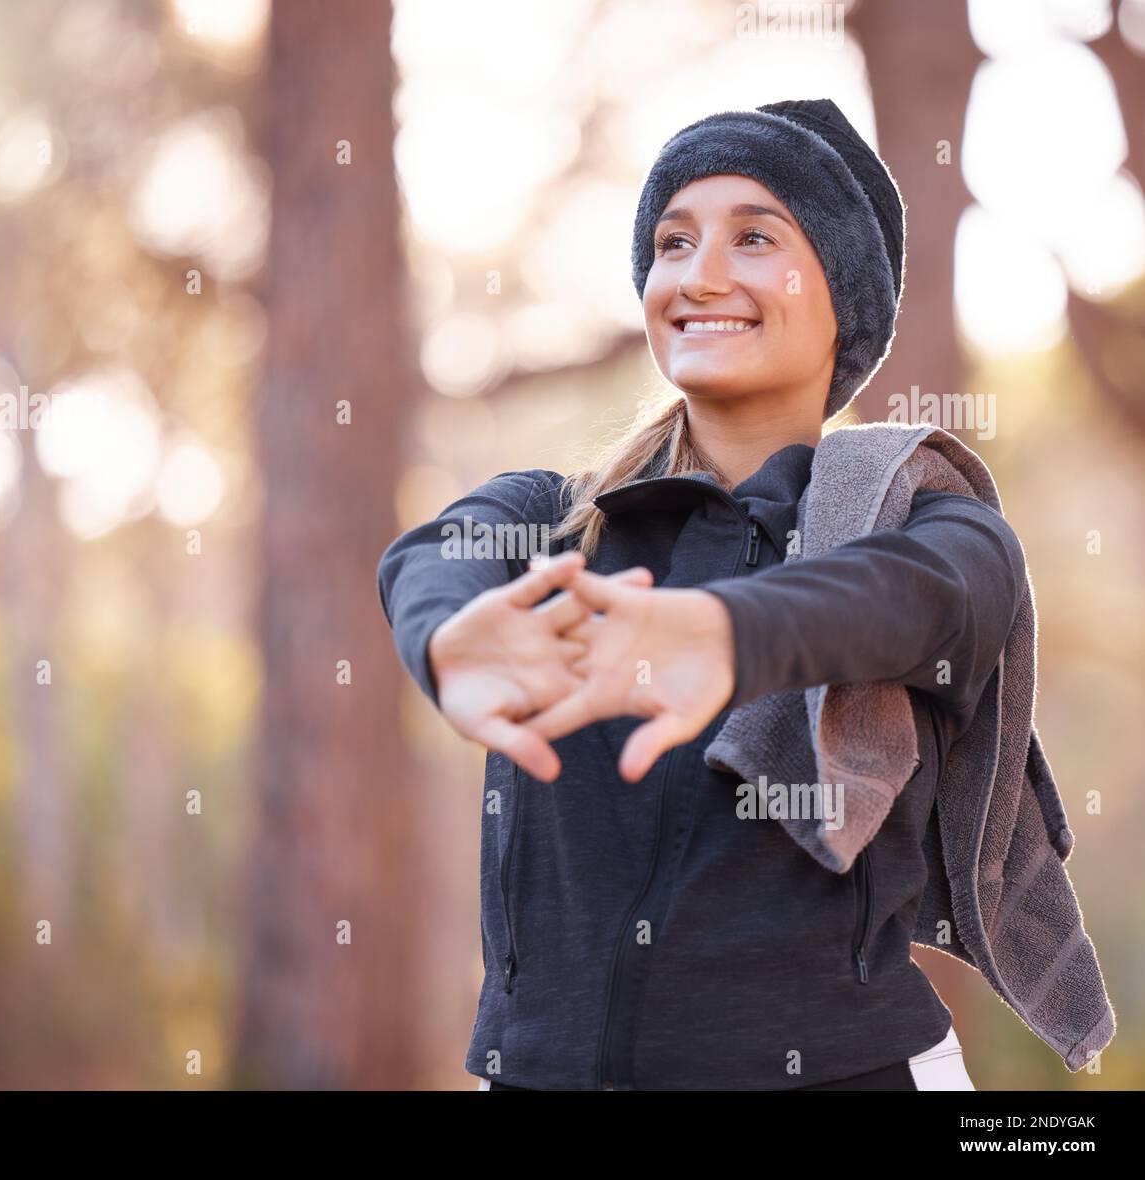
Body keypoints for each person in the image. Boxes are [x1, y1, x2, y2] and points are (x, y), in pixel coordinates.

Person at [376, 98, 1014, 1090]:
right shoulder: (553, 520)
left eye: (754, 237)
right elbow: (435, 552)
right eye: (673, 242)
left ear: (842, 293)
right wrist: (441, 636)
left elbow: (942, 594)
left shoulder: (919, 519)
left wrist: (724, 631)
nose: (699, 273)